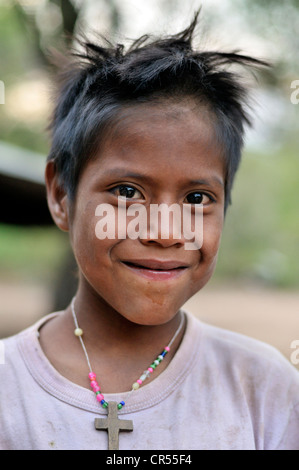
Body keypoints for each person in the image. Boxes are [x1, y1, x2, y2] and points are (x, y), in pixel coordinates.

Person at [1, 12, 298, 451]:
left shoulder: (264, 389)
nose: (163, 232)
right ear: (62, 195)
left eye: (196, 199)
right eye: (127, 191)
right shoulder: (8, 390)